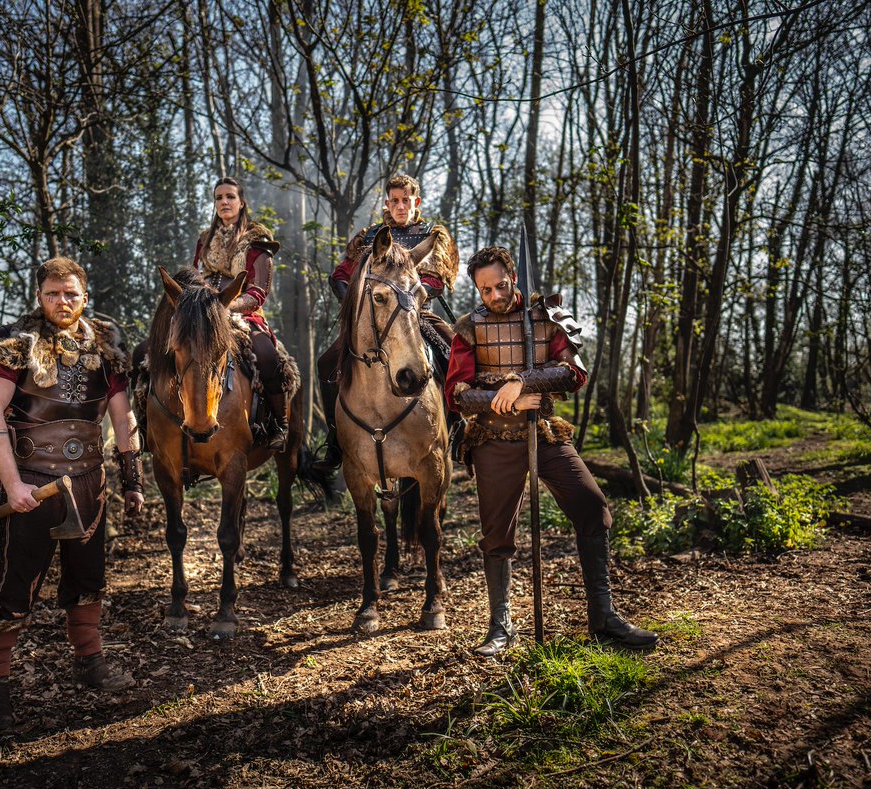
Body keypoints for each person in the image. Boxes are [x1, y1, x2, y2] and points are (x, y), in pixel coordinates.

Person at [445, 246, 658, 656]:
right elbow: (456, 394)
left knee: (592, 506)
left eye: (500, 285)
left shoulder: (547, 316)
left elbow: (574, 372)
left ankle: (603, 617)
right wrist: (504, 402)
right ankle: (500, 627)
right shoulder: (470, 328)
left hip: (543, 434)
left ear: (513, 277)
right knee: (496, 536)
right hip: (492, 439)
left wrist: (521, 382)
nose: (494, 295)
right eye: (485, 290)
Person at [0, 256, 144, 731]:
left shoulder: (106, 349)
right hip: (32, 481)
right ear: (39, 296)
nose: (62, 302)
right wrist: (13, 485)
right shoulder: (11, 345)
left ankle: (91, 662)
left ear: (84, 296)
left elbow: (122, 418)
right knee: (15, 585)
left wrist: (132, 481)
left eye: (71, 294)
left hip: (89, 482)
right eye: (53, 294)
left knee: (88, 577)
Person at [315, 173, 459, 472]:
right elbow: (341, 275)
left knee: (452, 351)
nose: (400, 206)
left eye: (406, 200)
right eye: (395, 201)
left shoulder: (430, 235)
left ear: (416, 202)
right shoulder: (370, 238)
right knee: (327, 362)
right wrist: (355, 306)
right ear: (387, 203)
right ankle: (335, 439)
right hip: (373, 317)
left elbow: (436, 279)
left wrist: (411, 297)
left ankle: (457, 430)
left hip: (417, 313)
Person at [193, 177, 288, 450]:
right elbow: (194, 277)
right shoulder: (204, 239)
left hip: (242, 312)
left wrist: (226, 305)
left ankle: (279, 423)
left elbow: (258, 292)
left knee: (267, 355)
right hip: (202, 310)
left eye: (230, 196)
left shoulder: (258, 240)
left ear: (241, 202)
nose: (224, 202)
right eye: (219, 197)